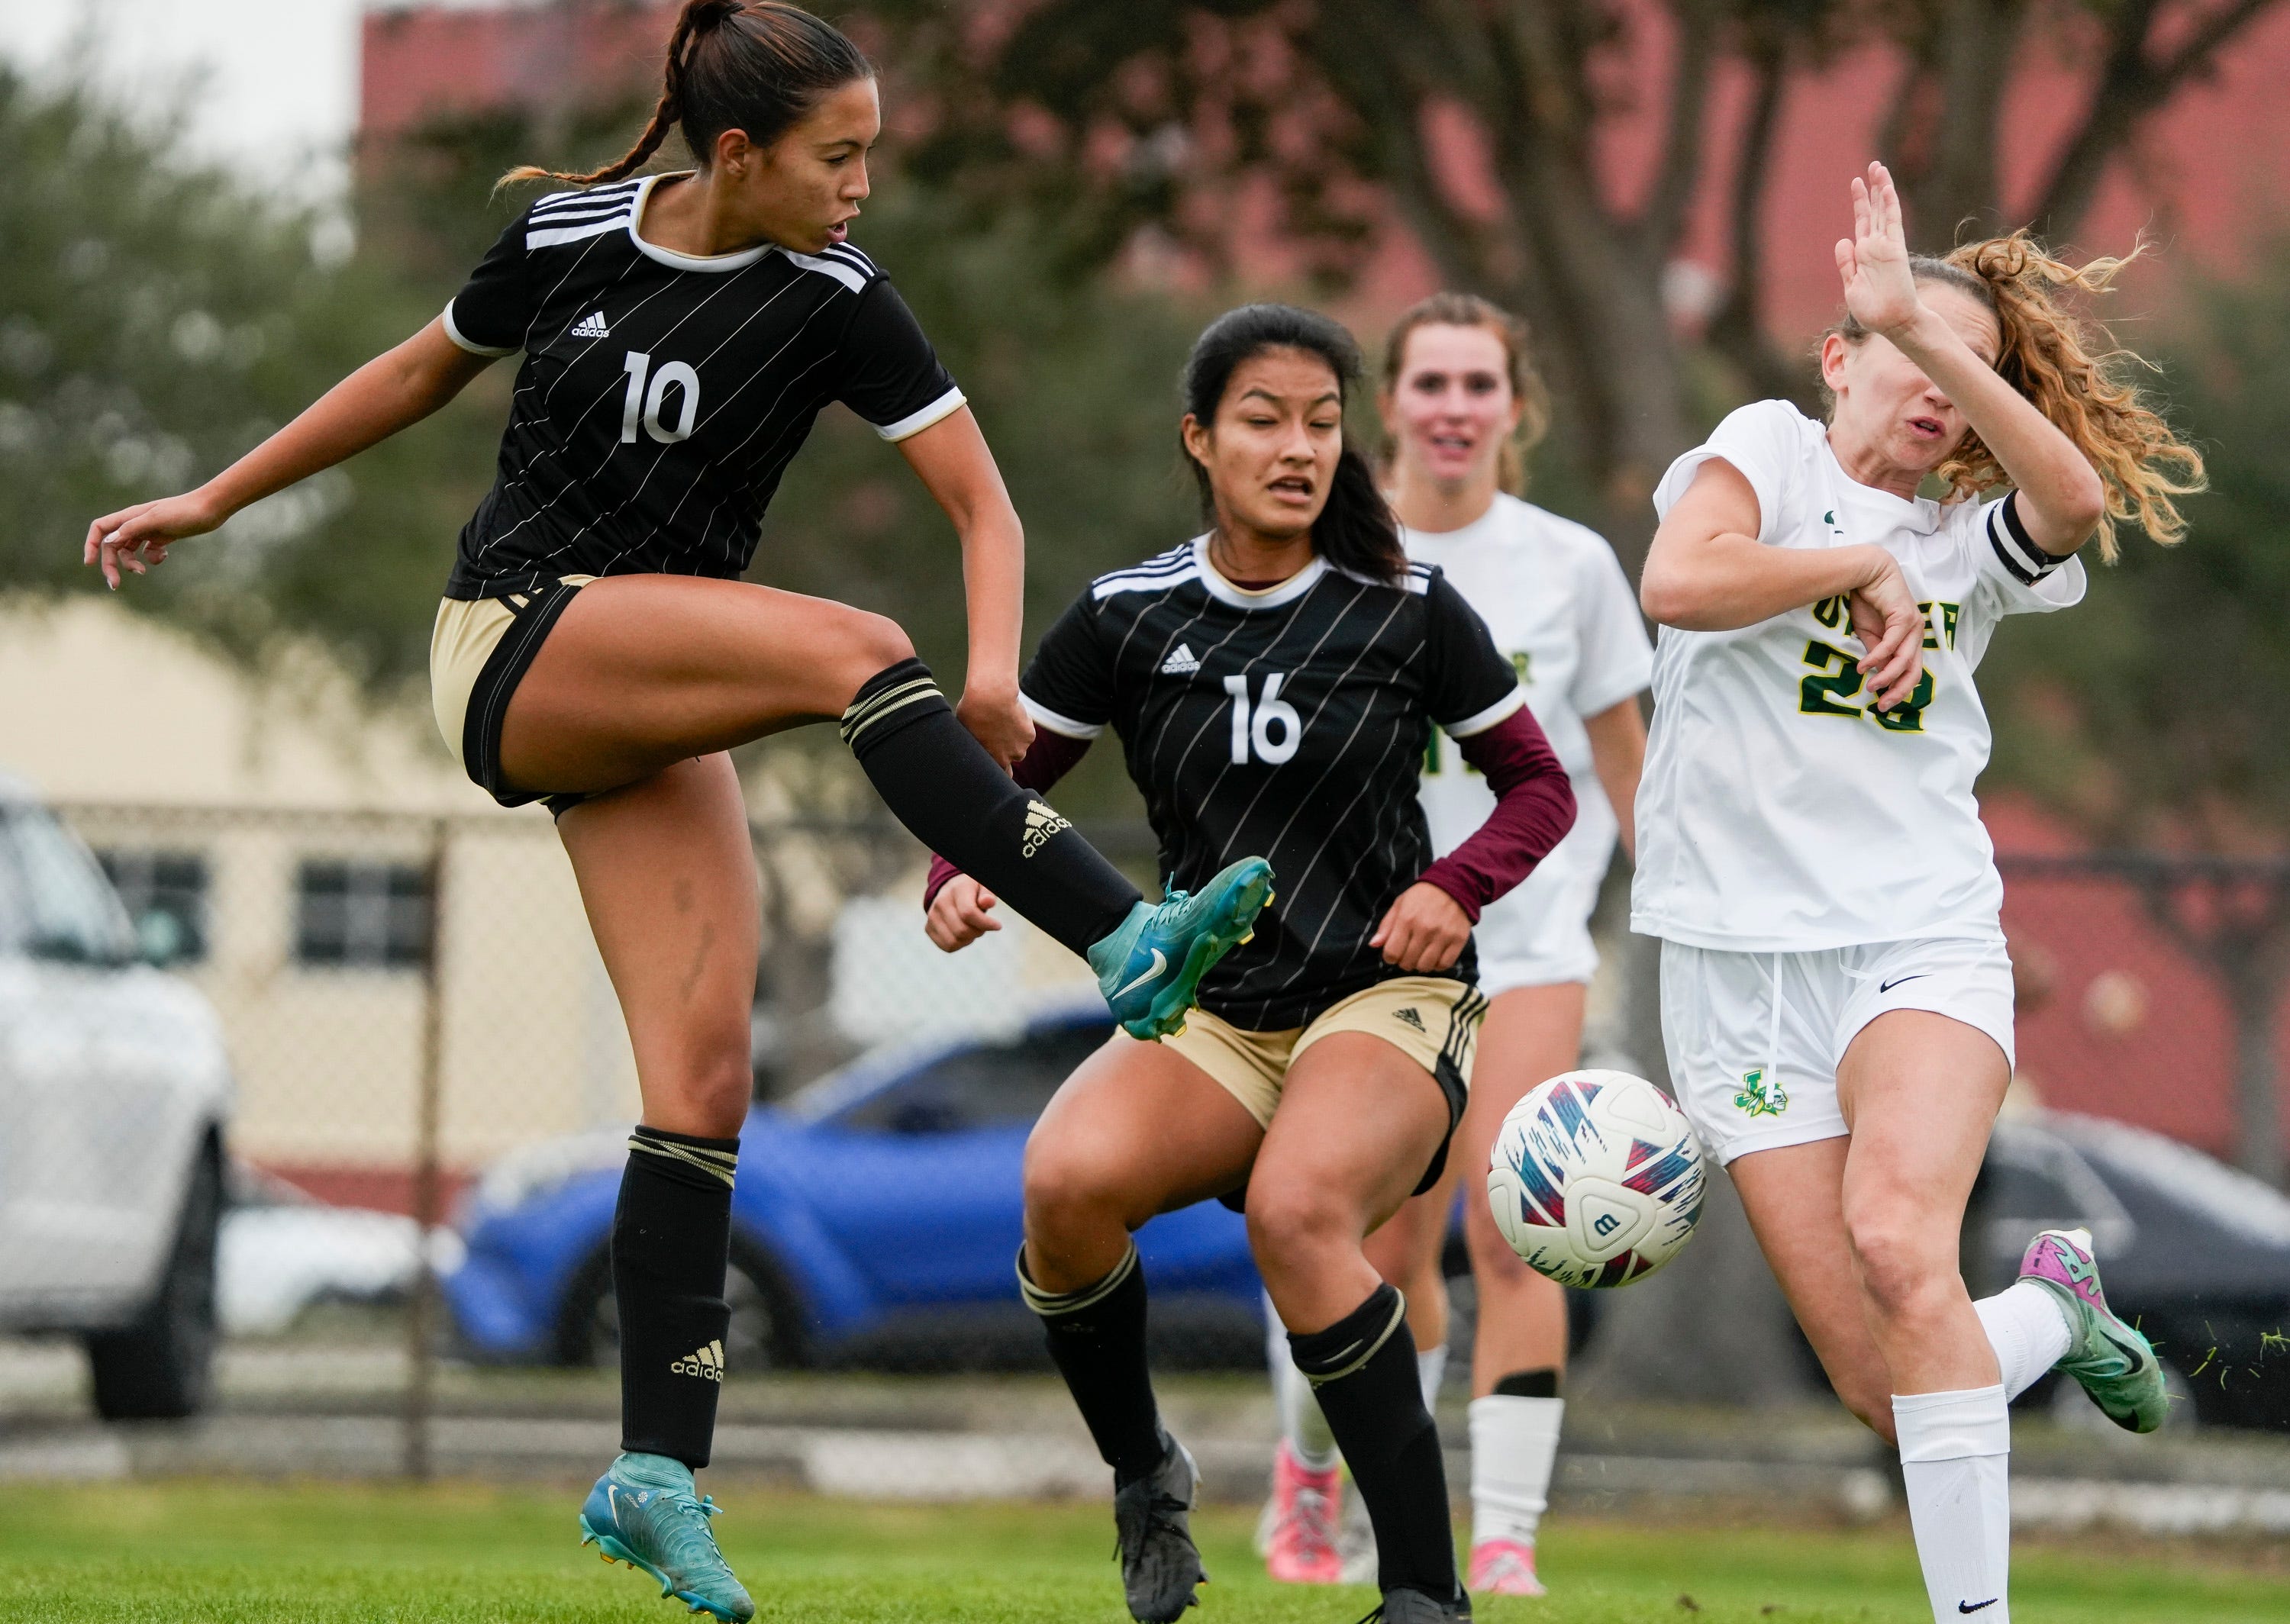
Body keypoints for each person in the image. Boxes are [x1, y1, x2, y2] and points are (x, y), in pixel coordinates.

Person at [79, 5, 1267, 1619]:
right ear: (737, 154)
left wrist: (995, 670)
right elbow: (417, 372)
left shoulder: (841, 300)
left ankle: (656, 1471)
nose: (863, 185)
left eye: (871, 154)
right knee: (855, 647)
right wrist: (213, 495)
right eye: (838, 156)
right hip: (511, 640)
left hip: (651, 689)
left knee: (703, 1083)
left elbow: (984, 502)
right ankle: (1123, 936)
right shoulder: (567, 233)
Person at [923, 304, 1578, 1623]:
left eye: (1324, 424)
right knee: (1061, 1186)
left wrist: (1456, 888)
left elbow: (1538, 788)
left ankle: (1421, 1595)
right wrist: (952, 874)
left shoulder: (1404, 605)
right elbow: (988, 783)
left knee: (1299, 1213)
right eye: (1266, 421)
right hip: (1216, 1014)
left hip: (1385, 1002)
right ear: (1200, 439)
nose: (1300, 447)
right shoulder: (1127, 614)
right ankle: (1144, 1476)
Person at [1635, 163, 2204, 1624]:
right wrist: (1852, 570)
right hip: (1729, 968)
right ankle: (2053, 1311)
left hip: (1918, 940)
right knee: (1889, 1383)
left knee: (1903, 1241)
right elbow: (1678, 584)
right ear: (1837, 359)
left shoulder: (1973, 542)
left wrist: (1931, 330)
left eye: (1972, 370)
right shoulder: (1766, 450)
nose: (1942, 394)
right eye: (1902, 350)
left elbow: (2072, 497)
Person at [1255, 293, 1652, 1599]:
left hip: (1528, 935)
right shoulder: (1326, 553)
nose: (1453, 408)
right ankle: (1315, 1481)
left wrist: (1681, 911)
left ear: (1514, 406)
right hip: (1366, 945)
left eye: (1479, 384)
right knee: (1381, 1248)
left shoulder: (1572, 565)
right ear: (1393, 404)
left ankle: (1506, 1537)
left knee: (1522, 1224)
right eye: (1430, 383)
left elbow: (1621, 764)